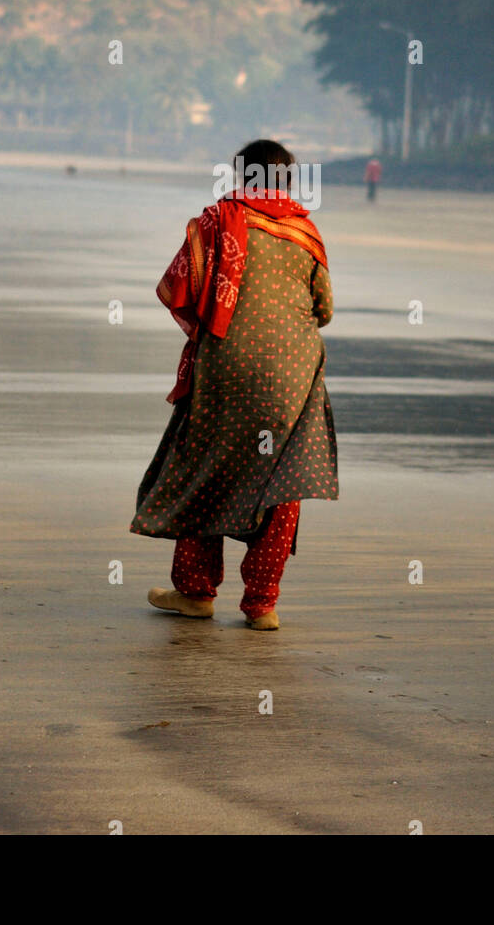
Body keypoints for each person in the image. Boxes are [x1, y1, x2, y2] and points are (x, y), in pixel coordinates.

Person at [130, 139, 337, 631]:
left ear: (240, 175)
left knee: (208, 467)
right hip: (293, 375)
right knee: (281, 478)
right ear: (288, 181)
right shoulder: (306, 231)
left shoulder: (217, 220)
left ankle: (197, 593)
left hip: (228, 366)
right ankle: (262, 604)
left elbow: (178, 286)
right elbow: (324, 309)